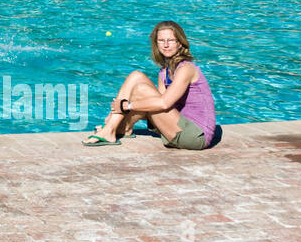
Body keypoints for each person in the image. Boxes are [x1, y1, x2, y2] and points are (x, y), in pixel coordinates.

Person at [84, 21, 217, 149]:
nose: (166, 45)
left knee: (142, 89)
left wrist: (126, 106)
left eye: (170, 40)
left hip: (196, 136)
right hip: (177, 126)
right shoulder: (164, 72)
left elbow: (164, 104)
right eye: (161, 41)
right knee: (136, 76)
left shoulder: (186, 69)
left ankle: (111, 128)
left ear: (180, 43)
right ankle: (118, 127)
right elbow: (154, 107)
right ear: (156, 44)